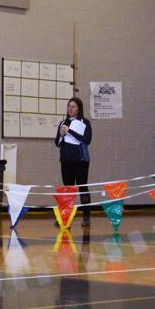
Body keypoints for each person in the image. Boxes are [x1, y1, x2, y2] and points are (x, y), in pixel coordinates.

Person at [55, 98, 93, 229]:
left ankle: (86, 217)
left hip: (80, 161)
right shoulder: (62, 123)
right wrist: (61, 134)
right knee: (67, 189)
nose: (70, 109)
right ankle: (65, 217)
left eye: (73, 106)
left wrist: (69, 131)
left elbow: (87, 140)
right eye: (69, 106)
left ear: (79, 109)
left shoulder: (84, 122)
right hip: (66, 160)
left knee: (82, 187)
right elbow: (57, 143)